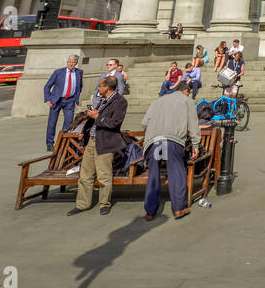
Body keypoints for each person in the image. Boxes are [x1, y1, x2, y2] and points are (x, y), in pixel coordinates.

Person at [141, 78, 201, 221]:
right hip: (172, 141)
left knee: (153, 175)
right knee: (176, 172)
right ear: (186, 91)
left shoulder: (158, 101)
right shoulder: (187, 101)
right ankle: (179, 208)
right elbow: (193, 124)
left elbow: (144, 123)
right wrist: (195, 144)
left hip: (154, 142)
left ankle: (150, 211)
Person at [69, 75, 127, 216]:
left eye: (100, 86)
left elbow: (114, 123)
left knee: (104, 175)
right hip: (92, 140)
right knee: (85, 174)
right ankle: (83, 204)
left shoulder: (120, 101)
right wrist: (87, 125)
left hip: (106, 141)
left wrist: (97, 117)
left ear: (107, 87)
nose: (98, 88)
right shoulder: (102, 100)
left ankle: (104, 203)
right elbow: (95, 121)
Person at [42, 54, 83, 150]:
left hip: (70, 100)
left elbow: (80, 86)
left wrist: (75, 97)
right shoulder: (58, 72)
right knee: (52, 122)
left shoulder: (79, 72)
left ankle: (62, 142)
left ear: (76, 63)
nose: (71, 64)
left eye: (73, 63)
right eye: (69, 62)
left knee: (69, 122)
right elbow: (47, 86)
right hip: (57, 100)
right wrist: (49, 99)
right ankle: (49, 143)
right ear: (67, 62)